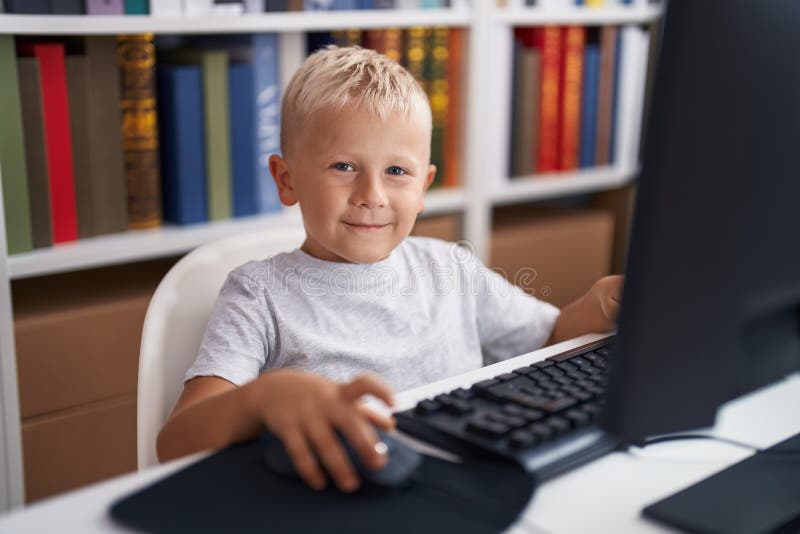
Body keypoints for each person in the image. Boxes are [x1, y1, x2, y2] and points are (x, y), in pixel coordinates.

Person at [156, 45, 622, 494]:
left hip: (459, 489)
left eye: (397, 172)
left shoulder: (452, 268)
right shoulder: (258, 293)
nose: (372, 195)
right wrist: (264, 398)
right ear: (287, 179)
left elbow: (548, 339)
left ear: (424, 187)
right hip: (332, 500)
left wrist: (599, 304)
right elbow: (175, 444)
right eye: (343, 166)